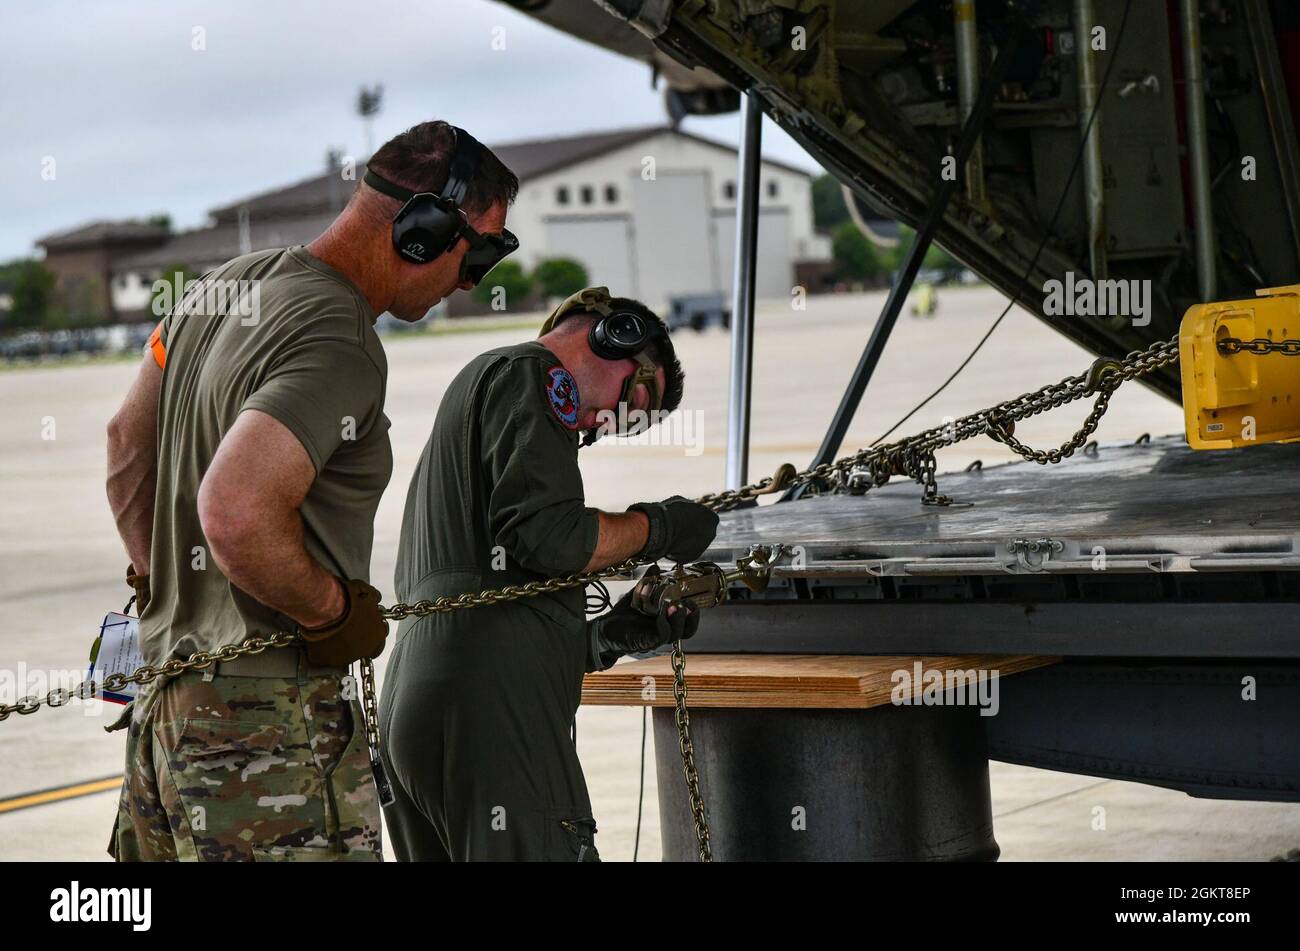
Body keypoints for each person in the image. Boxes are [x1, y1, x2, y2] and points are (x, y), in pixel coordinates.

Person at [103, 119, 518, 861]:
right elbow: (234, 510)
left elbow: (126, 445)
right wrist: (332, 614)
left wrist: (173, 591)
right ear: (422, 231)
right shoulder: (339, 336)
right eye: (479, 252)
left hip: (167, 706)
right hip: (264, 728)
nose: (472, 280)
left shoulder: (222, 285)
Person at [379, 286, 719, 861]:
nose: (604, 424)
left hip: (423, 709)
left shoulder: (487, 389)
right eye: (632, 401)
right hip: (491, 716)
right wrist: (658, 526)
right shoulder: (533, 375)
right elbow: (550, 537)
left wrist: (606, 638)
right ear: (619, 339)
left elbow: (494, 599)